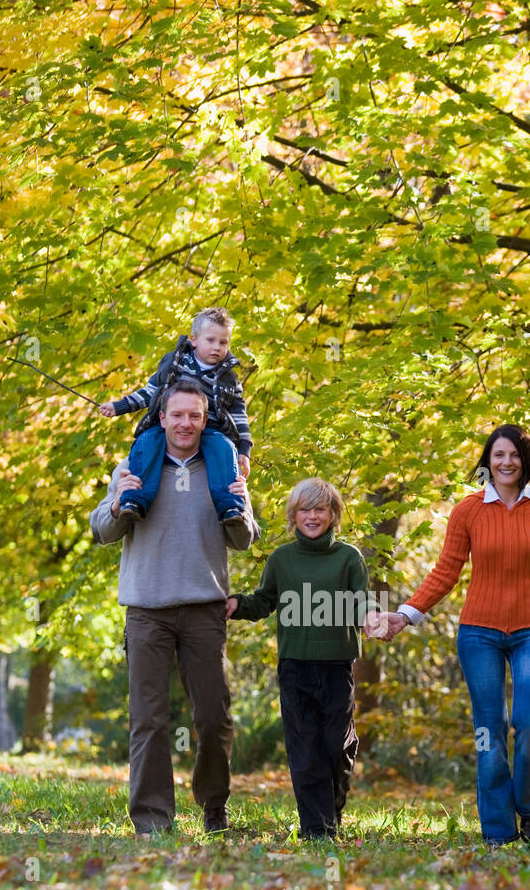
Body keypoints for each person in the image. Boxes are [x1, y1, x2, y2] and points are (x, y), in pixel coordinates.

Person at [372, 425, 530, 847]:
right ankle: (498, 830)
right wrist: (406, 615)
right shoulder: (468, 511)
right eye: (498, 455)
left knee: (529, 724)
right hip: (479, 633)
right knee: (488, 730)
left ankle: (529, 809)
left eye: (513, 455)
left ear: (525, 460)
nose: (506, 462)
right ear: (488, 461)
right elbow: (446, 571)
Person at [90, 379, 260, 838]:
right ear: (162, 417)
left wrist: (243, 506)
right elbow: (102, 531)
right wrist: (118, 500)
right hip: (147, 611)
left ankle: (212, 808)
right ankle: (152, 821)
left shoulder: (223, 467)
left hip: (205, 610)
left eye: (195, 416)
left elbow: (244, 540)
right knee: (148, 719)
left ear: (205, 421)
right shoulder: (134, 463)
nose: (186, 423)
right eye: (177, 414)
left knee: (213, 716)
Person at [226, 479, 371, 840]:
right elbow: (264, 601)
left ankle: (332, 803)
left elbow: (359, 600)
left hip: (337, 666)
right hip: (295, 667)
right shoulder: (282, 560)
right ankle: (317, 830)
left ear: (333, 515)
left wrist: (370, 616)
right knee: (305, 750)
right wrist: (237, 605)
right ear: (293, 516)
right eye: (304, 509)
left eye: (320, 509)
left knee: (335, 747)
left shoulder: (348, 558)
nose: (312, 516)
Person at [97, 306, 251, 523]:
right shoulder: (175, 364)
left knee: (225, 449)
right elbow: (150, 392)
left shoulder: (228, 378)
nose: (217, 347)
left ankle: (230, 508)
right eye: (211, 340)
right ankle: (134, 500)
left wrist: (244, 449)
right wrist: (119, 406)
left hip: (211, 430)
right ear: (194, 340)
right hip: (167, 429)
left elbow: (240, 415)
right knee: (146, 442)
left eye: (223, 342)